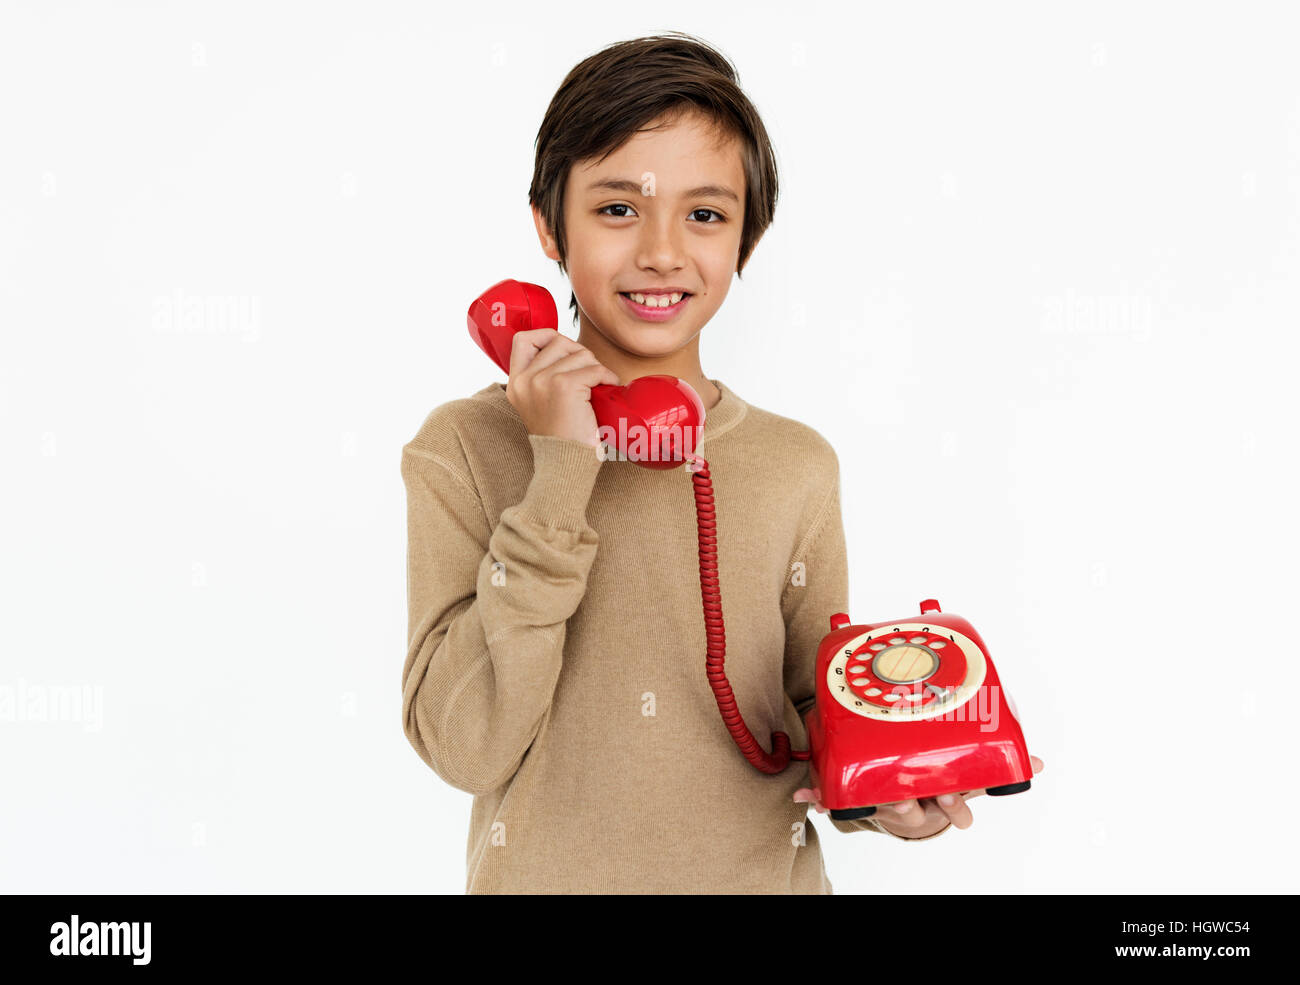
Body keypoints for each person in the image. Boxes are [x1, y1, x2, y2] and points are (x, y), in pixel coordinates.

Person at [400, 32, 1043, 894]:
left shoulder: (794, 465)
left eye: (705, 214)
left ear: (749, 235)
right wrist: (561, 468)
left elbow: (807, 708)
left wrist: (886, 788)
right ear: (548, 226)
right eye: (618, 208)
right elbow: (465, 745)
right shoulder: (462, 450)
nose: (663, 251)